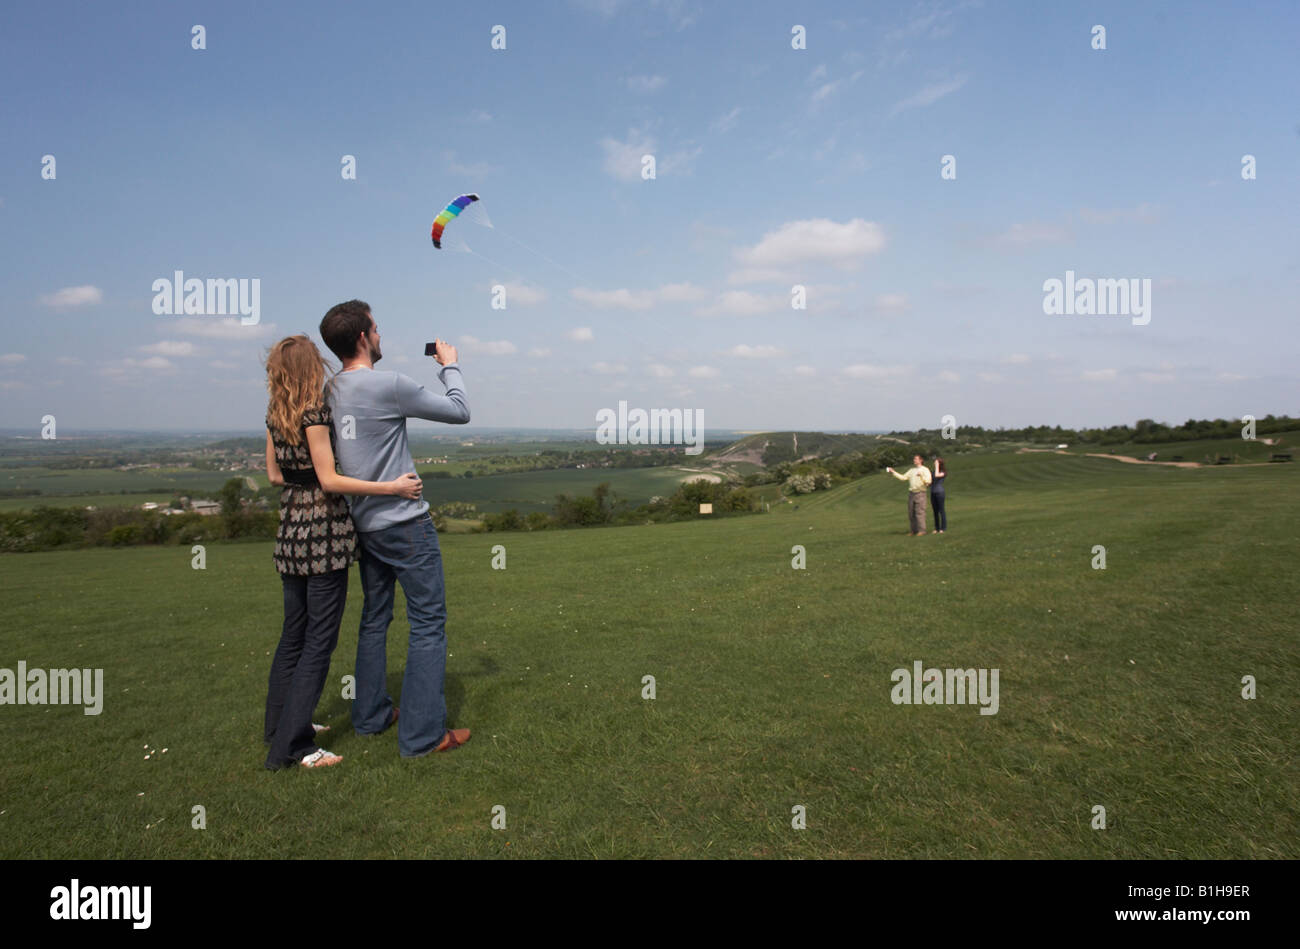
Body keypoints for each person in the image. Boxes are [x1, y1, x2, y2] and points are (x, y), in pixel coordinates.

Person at [319, 300, 472, 758]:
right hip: (406, 524)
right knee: (427, 624)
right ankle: (424, 737)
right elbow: (459, 411)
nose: (381, 335)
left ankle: (370, 716)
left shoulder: (331, 391)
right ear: (364, 338)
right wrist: (451, 367)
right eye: (377, 328)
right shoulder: (389, 384)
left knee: (374, 620)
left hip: (364, 525)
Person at [263, 335, 423, 770]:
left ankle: (277, 727)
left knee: (293, 633)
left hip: (290, 528)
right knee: (319, 640)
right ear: (310, 367)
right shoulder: (314, 413)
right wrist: (391, 486)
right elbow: (330, 480)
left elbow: (276, 476)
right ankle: (293, 749)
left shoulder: (276, 414)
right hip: (322, 532)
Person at [885, 454, 933, 536]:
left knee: (920, 512)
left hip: (921, 493)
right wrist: (893, 472)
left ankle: (922, 531)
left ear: (921, 460)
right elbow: (903, 478)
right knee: (911, 513)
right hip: (912, 493)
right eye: (914, 459)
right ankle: (913, 531)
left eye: (916, 459)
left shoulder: (925, 470)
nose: (914, 460)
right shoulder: (912, 470)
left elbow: (928, 481)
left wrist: (921, 476)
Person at [931, 456, 947, 533]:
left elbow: (937, 475)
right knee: (935, 511)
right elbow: (930, 481)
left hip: (940, 493)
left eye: (936, 462)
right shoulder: (933, 472)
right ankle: (936, 528)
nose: (934, 463)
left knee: (941, 510)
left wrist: (937, 466)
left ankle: (943, 528)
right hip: (933, 493)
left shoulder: (943, 472)